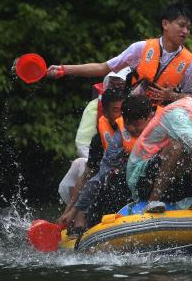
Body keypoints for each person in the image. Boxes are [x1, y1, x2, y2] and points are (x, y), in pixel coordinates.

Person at [46, 3, 192, 106]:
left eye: (188, 28)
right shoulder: (141, 48)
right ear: (165, 24)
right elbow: (102, 68)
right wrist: (64, 69)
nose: (185, 31)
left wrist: (171, 96)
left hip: (163, 122)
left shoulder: (191, 62)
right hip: (130, 114)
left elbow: (191, 98)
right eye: (181, 25)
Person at [57, 95, 154, 231]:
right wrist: (73, 210)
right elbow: (98, 178)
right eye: (128, 124)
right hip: (128, 188)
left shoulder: (164, 127)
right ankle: (87, 224)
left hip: (154, 185)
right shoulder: (118, 140)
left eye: (137, 124)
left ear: (150, 117)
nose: (132, 129)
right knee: (111, 180)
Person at [57, 69, 130, 203]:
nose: (116, 88)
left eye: (120, 85)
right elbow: (82, 143)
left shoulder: (136, 104)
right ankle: (74, 216)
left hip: (129, 162)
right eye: (113, 84)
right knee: (80, 165)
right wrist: (98, 161)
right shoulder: (95, 106)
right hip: (101, 160)